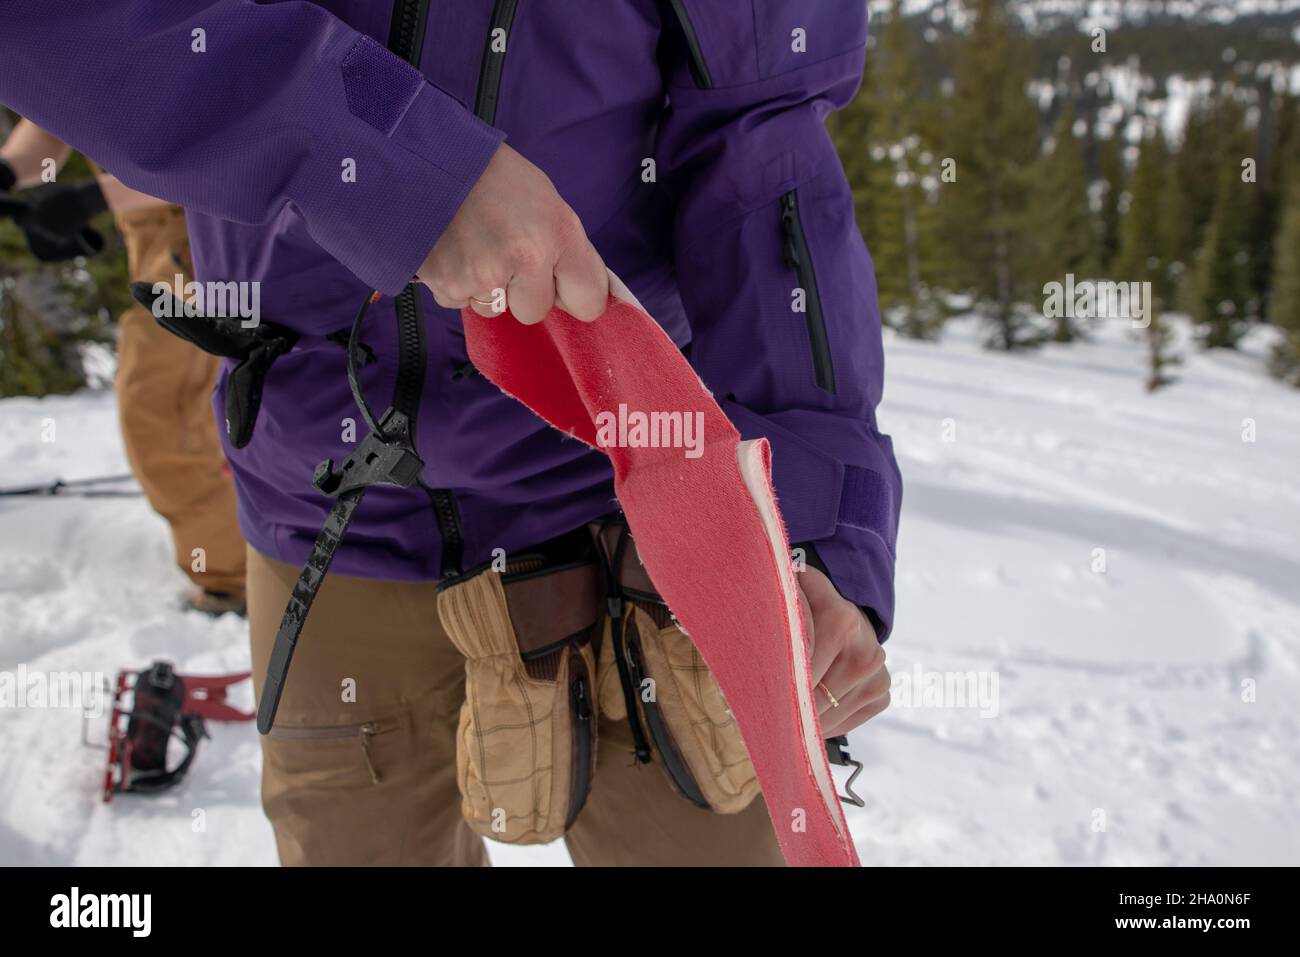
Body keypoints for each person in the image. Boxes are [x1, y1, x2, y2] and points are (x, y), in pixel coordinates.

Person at [0, 0, 901, 865]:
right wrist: (387, 160)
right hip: (324, 519)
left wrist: (815, 524)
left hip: (633, 524)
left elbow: (764, 151)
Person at [1, 119, 246, 615]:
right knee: (194, 416)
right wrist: (6, 173)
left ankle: (236, 579)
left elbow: (213, 163)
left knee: (161, 414)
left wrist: (88, 199)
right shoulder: (68, 48)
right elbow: (50, 119)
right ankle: (245, 563)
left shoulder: (150, 41)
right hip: (163, 256)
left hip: (207, 243)